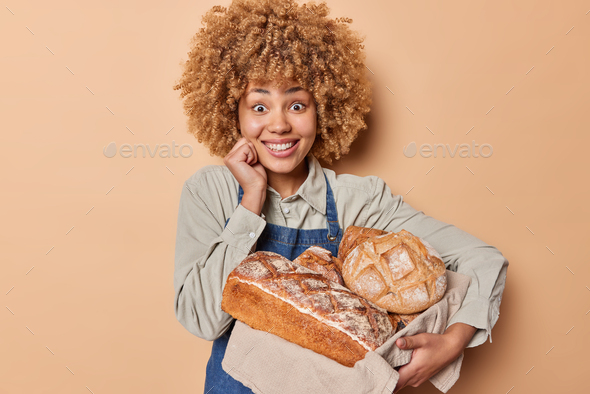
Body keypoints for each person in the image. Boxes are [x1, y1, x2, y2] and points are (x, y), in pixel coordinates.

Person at [172, 1, 508, 393]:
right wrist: (251, 200)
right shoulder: (210, 192)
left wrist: (452, 343)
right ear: (234, 114)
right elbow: (203, 321)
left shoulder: (360, 201)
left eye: (297, 105)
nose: (279, 124)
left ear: (324, 109)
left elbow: (483, 258)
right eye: (259, 106)